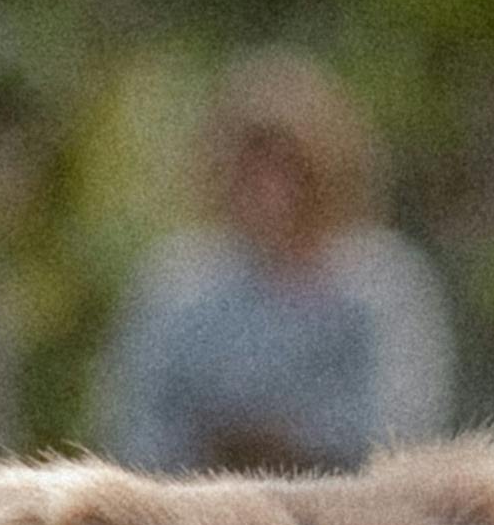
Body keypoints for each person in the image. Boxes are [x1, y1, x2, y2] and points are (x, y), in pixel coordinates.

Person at [94, 52, 453, 477]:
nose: (270, 190)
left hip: (349, 512)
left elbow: (399, 425)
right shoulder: (180, 289)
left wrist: (289, 443)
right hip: (199, 512)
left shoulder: (381, 285)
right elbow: (139, 427)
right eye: (251, 170)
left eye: (288, 168)